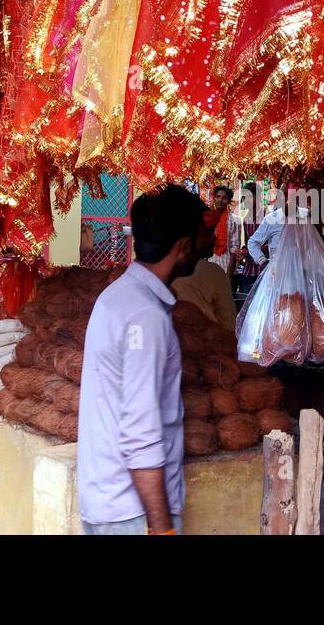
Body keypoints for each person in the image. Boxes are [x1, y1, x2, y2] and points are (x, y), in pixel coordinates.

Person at [78, 184, 206, 535]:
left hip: (112, 505)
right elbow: (140, 433)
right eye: (200, 236)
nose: (205, 247)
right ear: (182, 246)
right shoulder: (144, 317)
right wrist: (162, 527)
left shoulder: (119, 296)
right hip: (130, 512)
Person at [172, 210, 237, 329]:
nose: (214, 238)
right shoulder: (214, 273)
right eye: (210, 232)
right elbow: (228, 322)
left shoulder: (165, 269)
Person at [206, 185, 241, 275]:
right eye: (218, 197)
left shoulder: (234, 220)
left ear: (229, 201)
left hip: (226, 267)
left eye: (224, 198)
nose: (220, 200)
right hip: (210, 266)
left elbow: (235, 247)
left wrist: (229, 272)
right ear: (214, 198)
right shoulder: (208, 218)